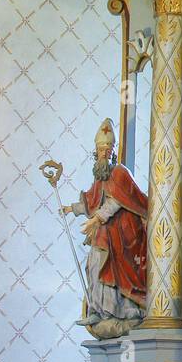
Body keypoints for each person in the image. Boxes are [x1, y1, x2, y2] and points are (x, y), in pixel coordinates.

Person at [62, 118, 147, 334]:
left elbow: (117, 200)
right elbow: (92, 199)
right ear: (96, 151)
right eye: (101, 149)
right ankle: (97, 310)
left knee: (109, 269)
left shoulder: (119, 172)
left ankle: (114, 310)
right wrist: (72, 208)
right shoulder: (100, 177)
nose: (104, 153)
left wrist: (96, 219)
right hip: (104, 234)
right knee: (94, 266)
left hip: (123, 236)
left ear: (112, 152)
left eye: (108, 149)